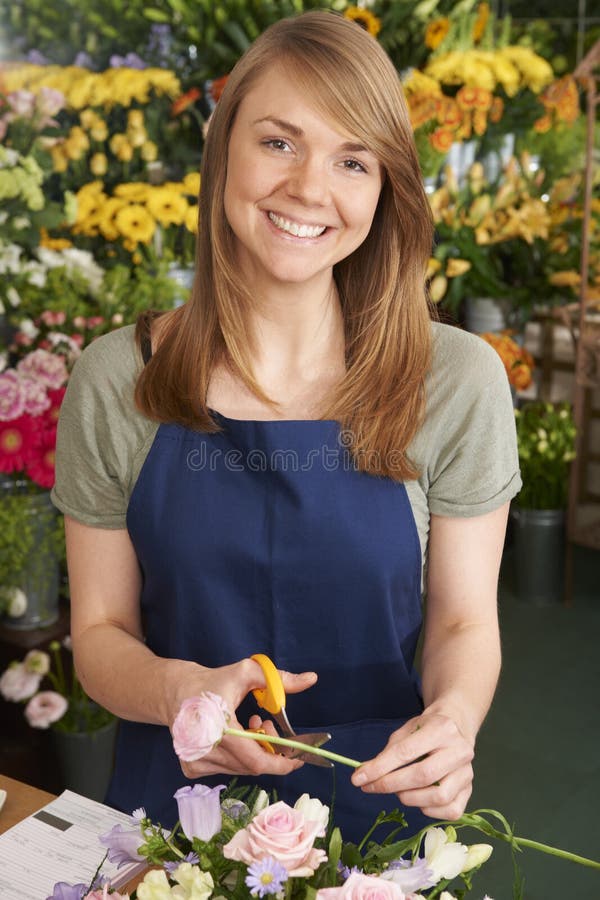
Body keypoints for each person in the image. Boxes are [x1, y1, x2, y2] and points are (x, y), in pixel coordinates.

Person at [52, 10, 521, 843]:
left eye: (352, 160)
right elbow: (98, 634)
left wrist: (454, 718)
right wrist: (182, 698)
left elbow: (461, 620)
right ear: (222, 149)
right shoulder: (119, 378)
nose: (310, 189)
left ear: (385, 189)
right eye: (279, 142)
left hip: (381, 817)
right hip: (176, 818)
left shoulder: (457, 380)